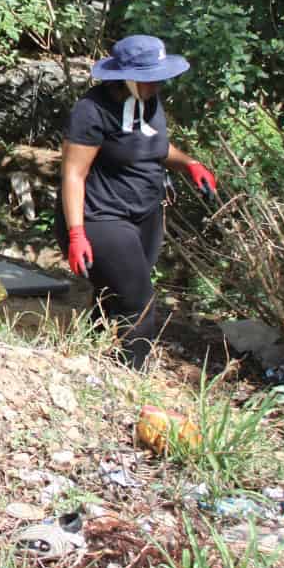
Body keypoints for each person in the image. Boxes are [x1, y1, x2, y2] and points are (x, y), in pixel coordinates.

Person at [59, 34, 217, 369]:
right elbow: (73, 174)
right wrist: (76, 233)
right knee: (139, 303)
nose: (158, 83)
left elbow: (153, 145)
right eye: (150, 78)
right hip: (100, 216)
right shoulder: (92, 110)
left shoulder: (149, 100)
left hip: (144, 214)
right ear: (126, 78)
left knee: (116, 297)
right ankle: (131, 377)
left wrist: (190, 164)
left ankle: (94, 367)